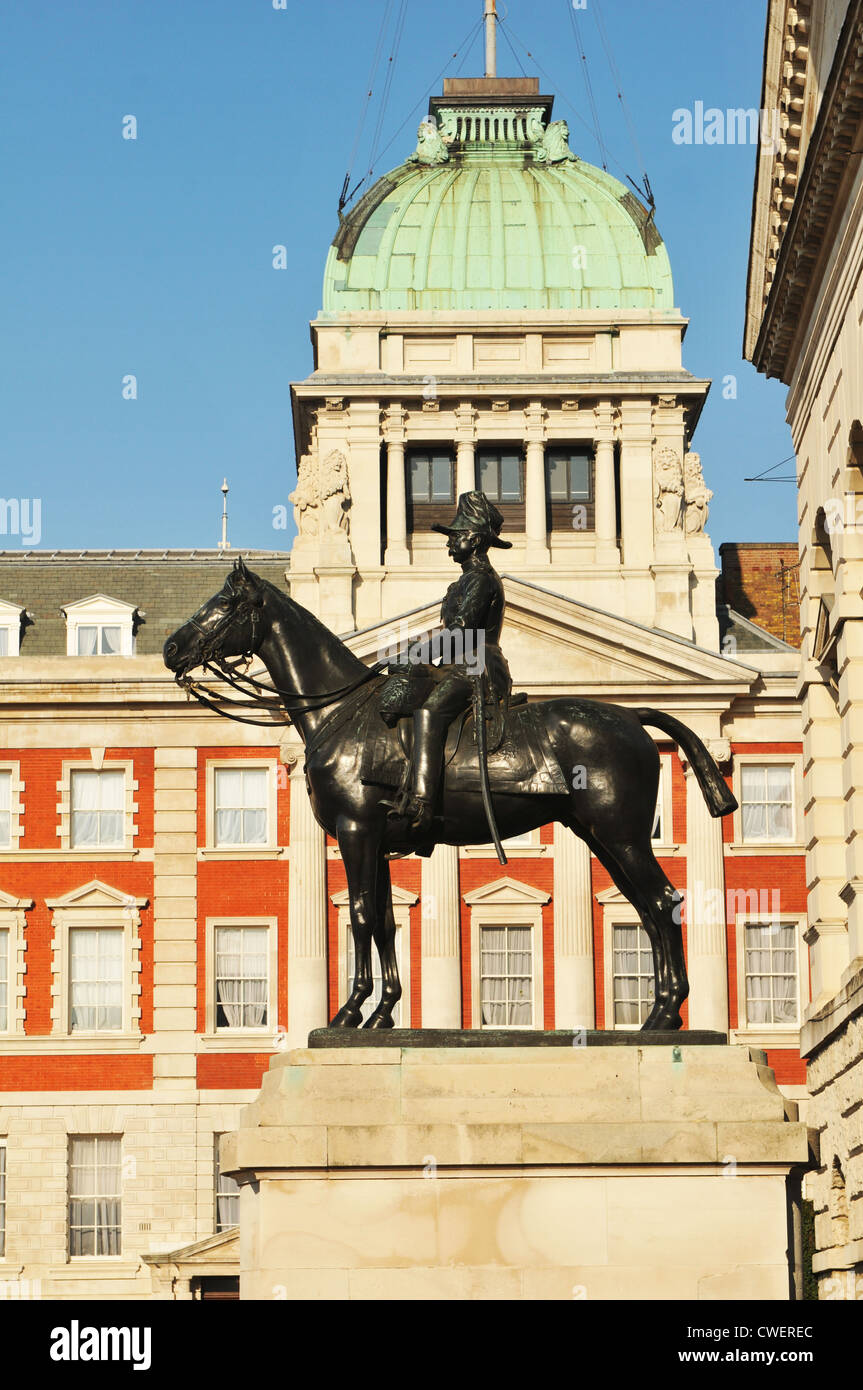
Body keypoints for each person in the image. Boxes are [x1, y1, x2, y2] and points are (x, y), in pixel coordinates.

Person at [386, 490, 512, 834]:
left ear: (473, 539)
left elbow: (459, 632)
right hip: (460, 663)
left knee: (428, 711)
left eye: (455, 536)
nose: (449, 543)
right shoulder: (464, 580)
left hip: (478, 665)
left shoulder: (482, 579)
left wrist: (415, 655)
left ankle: (422, 805)